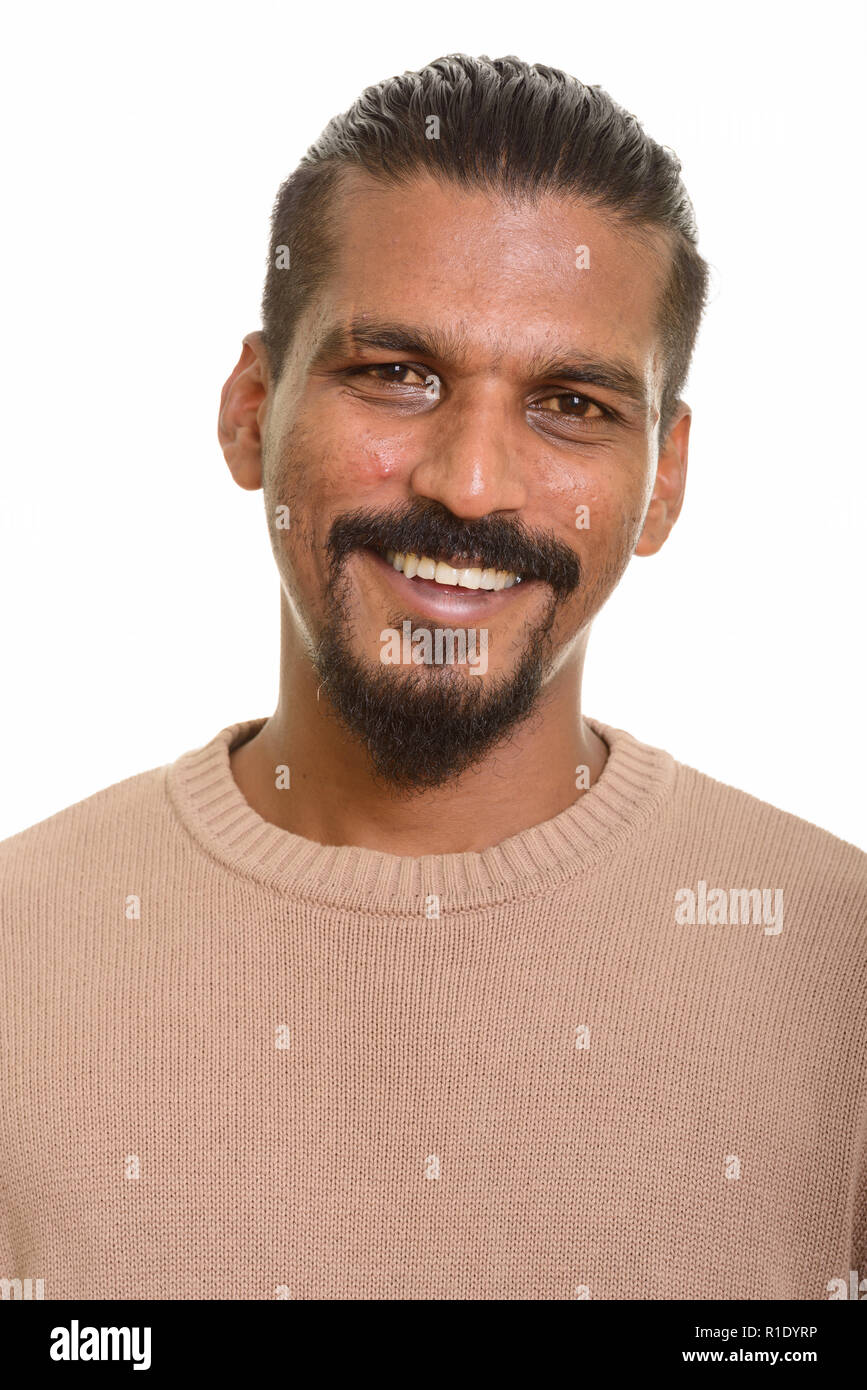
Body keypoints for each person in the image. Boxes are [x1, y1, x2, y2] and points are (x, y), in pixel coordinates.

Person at [1, 54, 864, 1302]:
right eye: (397, 374)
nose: (470, 483)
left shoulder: (843, 971)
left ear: (664, 479)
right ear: (252, 408)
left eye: (571, 403)